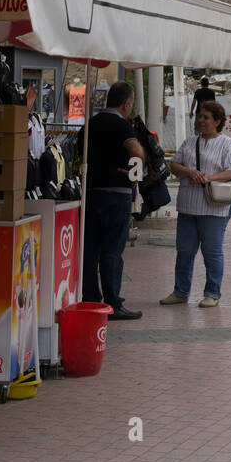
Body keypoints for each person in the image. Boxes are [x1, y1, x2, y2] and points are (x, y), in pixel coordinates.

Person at [161, 100, 231, 307]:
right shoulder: (190, 142)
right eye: (200, 116)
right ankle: (181, 291)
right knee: (185, 251)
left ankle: (212, 293)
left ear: (217, 121)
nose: (201, 121)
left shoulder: (226, 144)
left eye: (206, 117)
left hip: (215, 208)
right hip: (188, 205)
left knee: (212, 251)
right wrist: (188, 172)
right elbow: (174, 165)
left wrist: (210, 178)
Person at [82, 81, 148, 318]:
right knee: (112, 250)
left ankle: (90, 299)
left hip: (90, 193)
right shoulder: (122, 125)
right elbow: (137, 151)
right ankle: (112, 303)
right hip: (116, 195)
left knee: (90, 249)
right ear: (126, 103)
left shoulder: (92, 123)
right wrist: (133, 172)